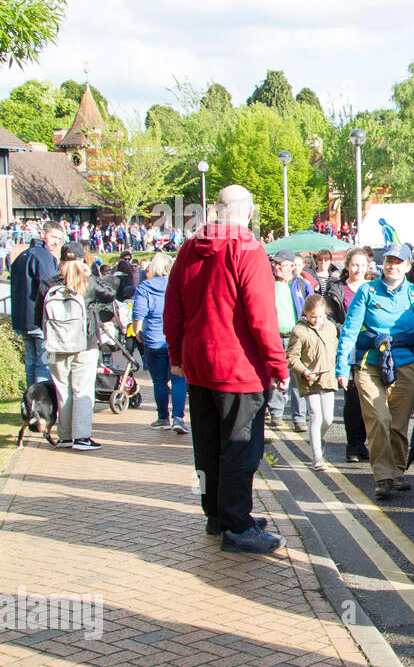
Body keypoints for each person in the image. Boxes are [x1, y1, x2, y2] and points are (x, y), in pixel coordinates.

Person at [164, 185, 287, 553]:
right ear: (248, 211)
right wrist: (278, 364)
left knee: (207, 447)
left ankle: (218, 516)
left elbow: (173, 309)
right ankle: (237, 525)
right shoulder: (247, 249)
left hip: (199, 365)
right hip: (238, 368)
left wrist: (177, 355)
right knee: (240, 449)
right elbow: (261, 316)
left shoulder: (189, 248)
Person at [336, 241, 414, 501]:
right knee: (379, 418)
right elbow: (350, 331)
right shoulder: (366, 291)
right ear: (383, 264)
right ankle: (383, 476)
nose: (392, 266)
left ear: (407, 266)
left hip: (404, 364)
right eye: (389, 261)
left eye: (398, 262)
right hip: (369, 363)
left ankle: (398, 472)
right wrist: (342, 366)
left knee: (398, 424)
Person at [40, 247, 133, 451]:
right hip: (85, 342)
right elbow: (109, 294)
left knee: (62, 389)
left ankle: (64, 436)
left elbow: (40, 313)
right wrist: (89, 273)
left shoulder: (48, 284)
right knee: (82, 389)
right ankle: (81, 436)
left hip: (56, 345)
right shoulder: (88, 282)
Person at [324, 247, 372, 462]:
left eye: (362, 265)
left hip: (369, 348)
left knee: (369, 398)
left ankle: (364, 442)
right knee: (352, 398)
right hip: (348, 348)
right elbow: (328, 318)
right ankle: (353, 444)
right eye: (354, 264)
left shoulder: (373, 287)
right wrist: (344, 328)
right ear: (347, 266)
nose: (358, 269)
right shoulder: (336, 289)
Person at [132, 252, 188, 433]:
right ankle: (178, 418)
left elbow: (138, 314)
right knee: (179, 380)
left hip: (154, 340)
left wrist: (137, 332)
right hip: (176, 340)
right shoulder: (179, 285)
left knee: (159, 381)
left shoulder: (144, 288)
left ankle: (162, 417)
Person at [287, 294, 340, 471]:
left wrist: (341, 373)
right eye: (312, 317)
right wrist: (304, 371)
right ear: (306, 314)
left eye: (320, 316)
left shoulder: (331, 328)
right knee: (316, 416)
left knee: (328, 419)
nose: (317, 321)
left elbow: (337, 351)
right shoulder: (299, 331)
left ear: (325, 312)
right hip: (309, 380)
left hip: (328, 378)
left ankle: (319, 439)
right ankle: (317, 457)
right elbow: (292, 358)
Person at [9, 220, 62, 389]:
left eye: (59, 239)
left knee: (31, 363)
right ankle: (42, 405)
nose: (56, 242)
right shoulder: (45, 257)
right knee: (46, 363)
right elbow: (52, 289)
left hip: (24, 320)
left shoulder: (22, 256)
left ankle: (30, 402)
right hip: (41, 321)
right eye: (53, 237)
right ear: (43, 234)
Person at [268, 250, 310, 430]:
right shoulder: (268, 284)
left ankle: (299, 417)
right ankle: (276, 413)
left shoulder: (301, 284)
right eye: (275, 264)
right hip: (275, 337)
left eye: (281, 264)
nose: (277, 267)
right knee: (276, 375)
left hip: (296, 338)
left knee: (298, 378)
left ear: (291, 266)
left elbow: (310, 307)